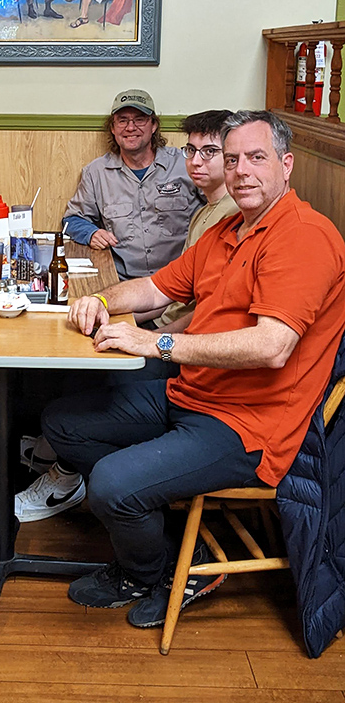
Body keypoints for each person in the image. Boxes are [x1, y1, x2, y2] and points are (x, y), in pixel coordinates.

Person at [42, 110, 345, 629]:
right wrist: (101, 302)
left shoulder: (304, 236)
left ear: (286, 165)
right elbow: (157, 288)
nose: (241, 171)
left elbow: (272, 346)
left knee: (112, 485)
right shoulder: (229, 228)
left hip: (250, 425)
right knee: (62, 422)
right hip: (195, 394)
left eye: (256, 158)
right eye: (233, 160)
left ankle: (152, 570)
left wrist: (157, 341)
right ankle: (172, 549)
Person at [15, 108, 237, 523]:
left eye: (211, 152)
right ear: (112, 129)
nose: (197, 161)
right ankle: (59, 453)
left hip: (196, 361)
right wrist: (109, 305)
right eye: (193, 151)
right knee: (75, 347)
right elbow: (168, 289)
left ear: (154, 127)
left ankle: (67, 470)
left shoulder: (227, 215)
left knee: (100, 373)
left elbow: (205, 310)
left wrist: (152, 341)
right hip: (149, 301)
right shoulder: (207, 208)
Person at [64, 88, 202, 281]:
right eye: (123, 120)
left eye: (139, 119)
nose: (130, 127)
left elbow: (218, 205)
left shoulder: (185, 163)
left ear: (153, 125)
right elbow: (72, 220)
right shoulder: (96, 173)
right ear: (113, 128)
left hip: (180, 281)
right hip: (123, 282)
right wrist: (91, 233)